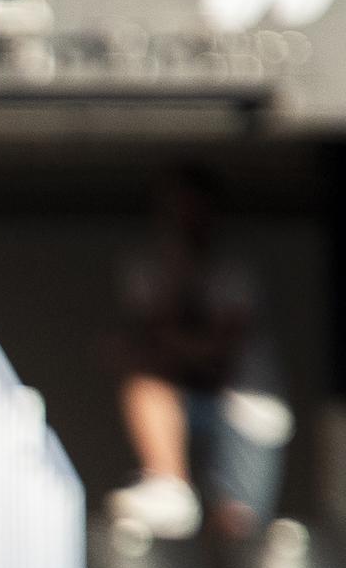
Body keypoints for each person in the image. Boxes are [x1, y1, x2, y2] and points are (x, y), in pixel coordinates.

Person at [112, 167, 288, 544]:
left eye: (193, 210)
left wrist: (168, 343)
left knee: (237, 529)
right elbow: (153, 341)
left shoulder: (236, 268)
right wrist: (177, 272)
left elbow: (216, 355)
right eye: (174, 212)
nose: (185, 222)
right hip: (187, 401)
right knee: (146, 381)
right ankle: (169, 483)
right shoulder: (148, 267)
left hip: (247, 404)